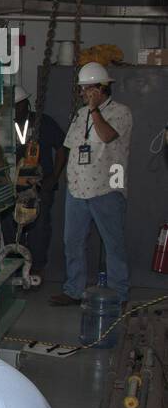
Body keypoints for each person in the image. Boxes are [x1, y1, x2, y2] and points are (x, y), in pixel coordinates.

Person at [49, 62, 133, 307]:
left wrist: (95, 110)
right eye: (82, 89)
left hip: (107, 188)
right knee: (72, 242)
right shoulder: (81, 114)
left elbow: (107, 136)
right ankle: (74, 289)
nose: (83, 93)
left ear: (101, 88)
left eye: (87, 89)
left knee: (113, 244)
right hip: (78, 189)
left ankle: (119, 293)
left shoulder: (121, 112)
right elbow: (70, 146)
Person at [1, 84, 65, 285]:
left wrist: (53, 177)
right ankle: (13, 268)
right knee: (10, 227)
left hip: (38, 186)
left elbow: (63, 147)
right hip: (12, 185)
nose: (15, 110)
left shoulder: (43, 122)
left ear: (26, 104)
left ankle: (37, 268)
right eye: (11, 107)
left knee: (38, 228)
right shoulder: (4, 125)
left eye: (18, 105)